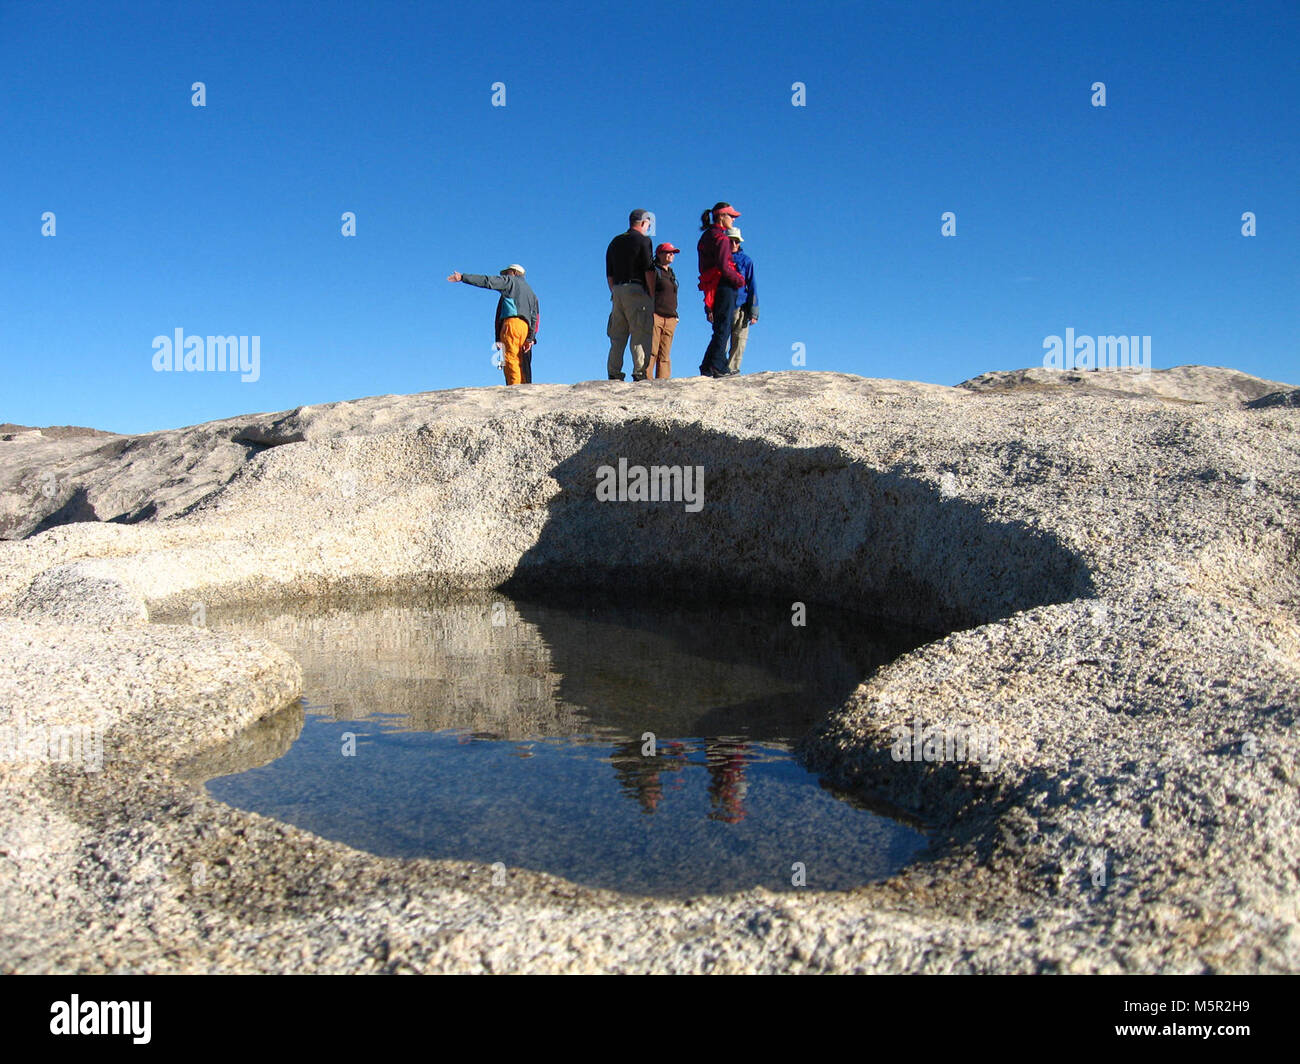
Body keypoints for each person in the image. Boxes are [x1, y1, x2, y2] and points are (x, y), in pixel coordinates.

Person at [446, 264, 539, 385]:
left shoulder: (510, 282)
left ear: (514, 272)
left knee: (511, 359)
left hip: (512, 324)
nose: (504, 275)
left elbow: (488, 281)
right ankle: (524, 389)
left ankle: (514, 391)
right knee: (522, 361)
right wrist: (530, 338)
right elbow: (535, 317)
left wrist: (463, 277)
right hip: (525, 329)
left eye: (507, 272)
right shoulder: (531, 293)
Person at [696, 202, 746, 378]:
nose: (733, 219)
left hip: (712, 285)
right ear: (721, 216)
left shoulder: (706, 237)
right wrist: (739, 280)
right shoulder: (722, 238)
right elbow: (725, 267)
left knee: (719, 327)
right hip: (724, 285)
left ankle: (707, 366)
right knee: (724, 327)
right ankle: (719, 367)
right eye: (731, 216)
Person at [605, 209, 656, 381]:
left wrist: (615, 292)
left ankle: (614, 373)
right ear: (643, 222)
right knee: (640, 332)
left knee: (617, 334)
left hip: (617, 290)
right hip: (637, 289)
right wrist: (651, 292)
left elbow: (609, 274)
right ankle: (640, 373)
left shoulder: (615, 242)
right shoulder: (643, 241)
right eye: (648, 224)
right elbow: (648, 269)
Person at [725, 227, 758, 373]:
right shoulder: (719, 260)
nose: (733, 244)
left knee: (740, 340)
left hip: (742, 306)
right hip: (723, 306)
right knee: (722, 340)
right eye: (730, 241)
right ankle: (719, 368)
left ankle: (733, 369)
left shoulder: (746, 261)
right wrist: (709, 309)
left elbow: (752, 285)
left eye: (736, 241)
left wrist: (754, 311)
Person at [649, 242, 681, 379]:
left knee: (665, 354)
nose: (671, 255)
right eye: (668, 252)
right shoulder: (654, 271)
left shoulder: (671, 274)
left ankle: (663, 382)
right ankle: (646, 380)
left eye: (673, 252)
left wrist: (676, 316)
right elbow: (648, 292)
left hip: (671, 318)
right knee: (652, 350)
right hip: (656, 315)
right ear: (659, 254)